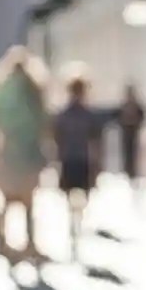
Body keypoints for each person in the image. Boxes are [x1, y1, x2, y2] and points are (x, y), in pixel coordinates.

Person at [0, 46, 50, 263]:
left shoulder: (2, 89)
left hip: (9, 150)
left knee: (7, 199)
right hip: (27, 151)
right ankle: (29, 243)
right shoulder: (34, 89)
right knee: (28, 201)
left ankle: (2, 239)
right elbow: (44, 121)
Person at [53, 64, 105, 262]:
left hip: (76, 159)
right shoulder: (71, 115)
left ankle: (75, 226)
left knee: (76, 198)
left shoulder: (72, 115)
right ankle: (75, 226)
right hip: (77, 159)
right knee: (77, 198)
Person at [115, 83, 146, 186]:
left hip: (133, 132)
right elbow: (118, 117)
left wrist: (136, 123)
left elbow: (143, 115)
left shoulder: (136, 106)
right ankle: (126, 171)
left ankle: (133, 172)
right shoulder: (124, 106)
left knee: (134, 153)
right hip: (126, 132)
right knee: (126, 152)